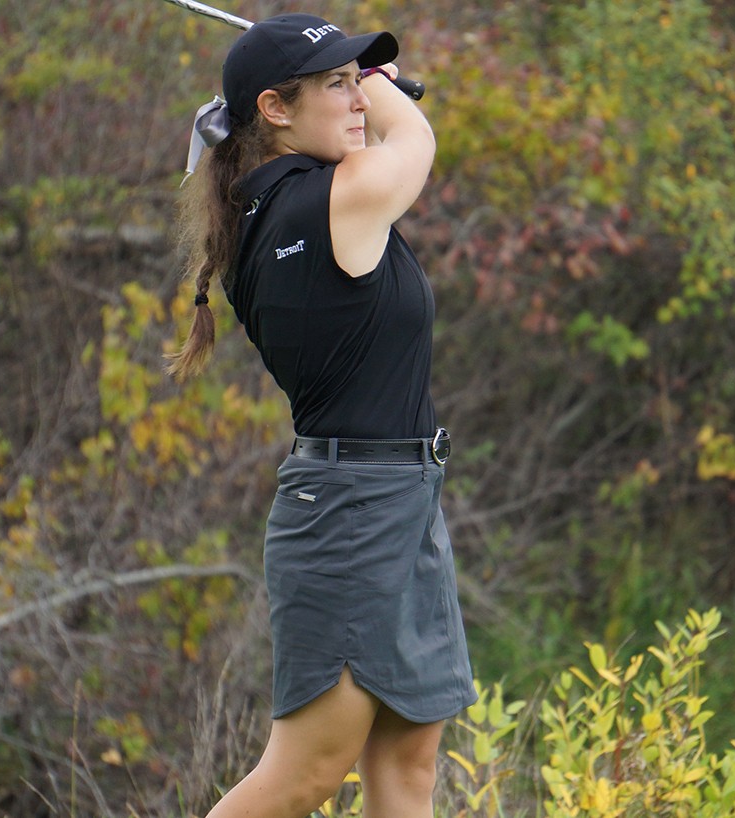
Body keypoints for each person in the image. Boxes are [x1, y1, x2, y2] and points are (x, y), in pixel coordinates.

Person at [166, 12, 476, 818]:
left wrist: (356, 86)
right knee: (305, 774)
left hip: (401, 499)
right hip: (348, 512)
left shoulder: (288, 203)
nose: (355, 102)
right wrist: (385, 89)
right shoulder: (322, 205)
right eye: (335, 84)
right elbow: (417, 144)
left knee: (410, 763)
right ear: (274, 108)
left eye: (355, 81)